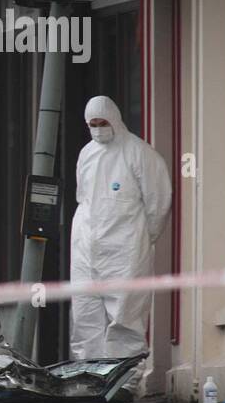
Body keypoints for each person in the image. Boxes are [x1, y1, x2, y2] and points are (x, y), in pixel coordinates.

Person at [70, 96, 172, 362]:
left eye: (102, 122)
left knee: (126, 317)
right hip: (86, 249)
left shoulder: (139, 153)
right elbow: (83, 198)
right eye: (92, 124)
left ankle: (124, 382)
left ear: (114, 119)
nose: (98, 128)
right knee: (85, 317)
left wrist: (141, 240)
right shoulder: (86, 154)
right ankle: (87, 376)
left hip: (125, 249)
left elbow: (158, 202)